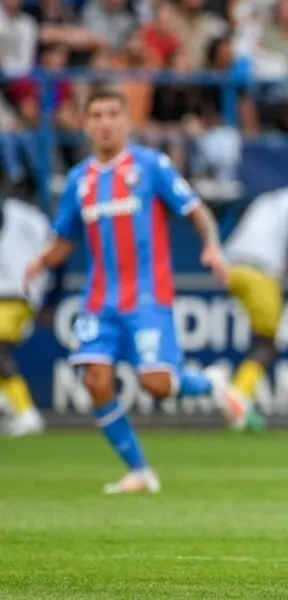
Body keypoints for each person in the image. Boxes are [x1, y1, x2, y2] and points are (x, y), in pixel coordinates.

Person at [24, 88, 247, 494]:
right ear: (86, 124)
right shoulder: (79, 180)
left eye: (113, 114)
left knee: (157, 384)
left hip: (147, 296)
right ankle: (139, 470)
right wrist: (38, 262)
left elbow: (196, 210)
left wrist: (212, 246)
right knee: (95, 380)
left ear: (126, 121)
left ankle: (211, 384)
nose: (106, 123)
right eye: (97, 115)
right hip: (99, 300)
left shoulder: (151, 166)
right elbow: (64, 238)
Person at [214, 178, 288, 430]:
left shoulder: (268, 198)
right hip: (260, 272)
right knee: (268, 343)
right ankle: (237, 395)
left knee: (259, 336)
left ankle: (240, 398)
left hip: (232, 267)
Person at [0, 195, 51, 436]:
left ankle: (25, 411)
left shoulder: (12, 211)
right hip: (25, 293)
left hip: (9, 293)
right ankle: (8, 403)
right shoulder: (38, 219)